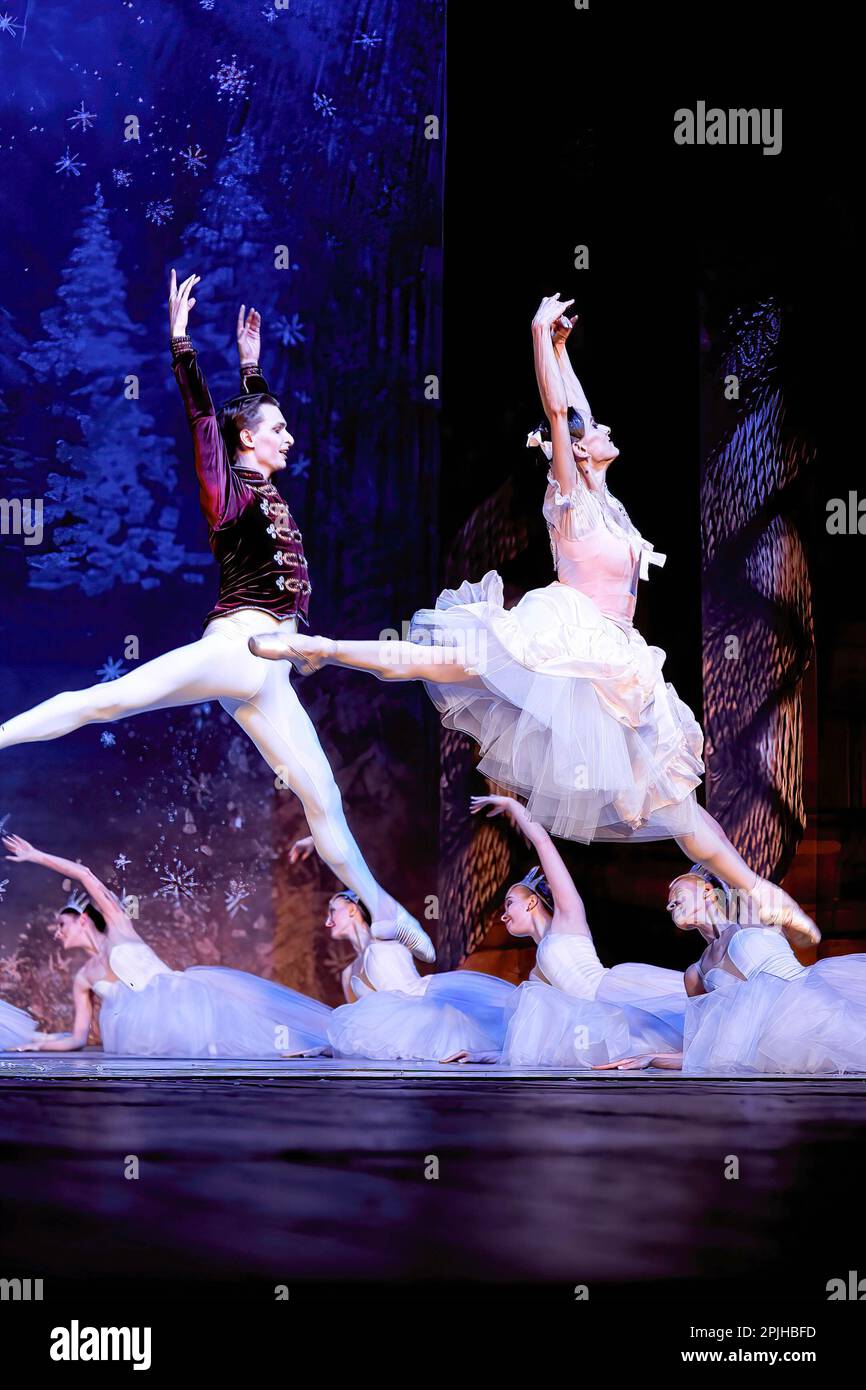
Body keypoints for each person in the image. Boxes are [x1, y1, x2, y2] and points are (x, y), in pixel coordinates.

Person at [249, 294, 818, 950]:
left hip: (616, 657)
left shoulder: (606, 500)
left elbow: (576, 408)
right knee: (439, 660)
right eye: (582, 435)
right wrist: (536, 334)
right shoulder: (571, 498)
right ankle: (320, 646)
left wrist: (564, 352)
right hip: (568, 632)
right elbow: (558, 412)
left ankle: (755, 889)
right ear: (573, 453)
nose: (598, 429)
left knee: (681, 812)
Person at [0, 272, 433, 964]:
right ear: (246, 440)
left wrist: (252, 365)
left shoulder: (261, 483)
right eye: (278, 429)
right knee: (108, 700)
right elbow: (207, 421)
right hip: (238, 647)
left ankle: (380, 909)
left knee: (322, 797)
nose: (289, 438)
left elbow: (240, 414)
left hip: (269, 674)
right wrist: (181, 345)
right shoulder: (226, 492)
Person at [1, 833, 332, 1058]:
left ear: (83, 919)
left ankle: (308, 1046)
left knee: (249, 1035)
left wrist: (37, 856)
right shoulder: (83, 978)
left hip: (180, 999)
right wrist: (39, 1042)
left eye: (61, 924)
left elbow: (85, 874)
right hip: (142, 1033)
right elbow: (76, 1038)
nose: (57, 932)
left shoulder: (118, 926)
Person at [447, 795, 689, 1067]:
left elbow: (543, 843)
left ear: (531, 902)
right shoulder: (537, 976)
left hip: (612, 993)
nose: (503, 915)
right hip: (595, 1019)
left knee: (686, 1025)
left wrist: (512, 805)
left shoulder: (567, 919)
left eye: (509, 903)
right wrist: (486, 1057)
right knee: (649, 1051)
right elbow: (536, 1039)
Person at [600, 868, 866, 1074]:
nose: (670, 904)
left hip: (817, 1015)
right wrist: (653, 1058)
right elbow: (704, 1047)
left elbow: (721, 856)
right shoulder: (695, 974)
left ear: (706, 890)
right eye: (668, 904)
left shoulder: (750, 915)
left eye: (677, 894)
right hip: (768, 1052)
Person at [289, 834, 514, 1062]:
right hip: (402, 1047)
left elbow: (356, 869)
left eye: (332, 911)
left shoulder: (383, 939)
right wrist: (327, 1049)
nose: (327, 921)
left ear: (351, 909)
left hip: (432, 1021)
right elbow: (359, 1032)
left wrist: (321, 841)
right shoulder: (348, 974)